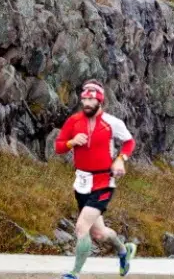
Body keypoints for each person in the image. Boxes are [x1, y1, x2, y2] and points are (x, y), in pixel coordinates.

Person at [55, 80, 138, 279]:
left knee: (81, 226)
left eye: (91, 99)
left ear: (100, 100)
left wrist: (120, 159)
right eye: (84, 98)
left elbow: (129, 142)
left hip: (103, 183)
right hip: (82, 183)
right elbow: (58, 147)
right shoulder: (73, 121)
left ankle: (74, 273)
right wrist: (71, 142)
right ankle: (124, 251)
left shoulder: (112, 122)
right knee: (99, 233)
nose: (87, 102)